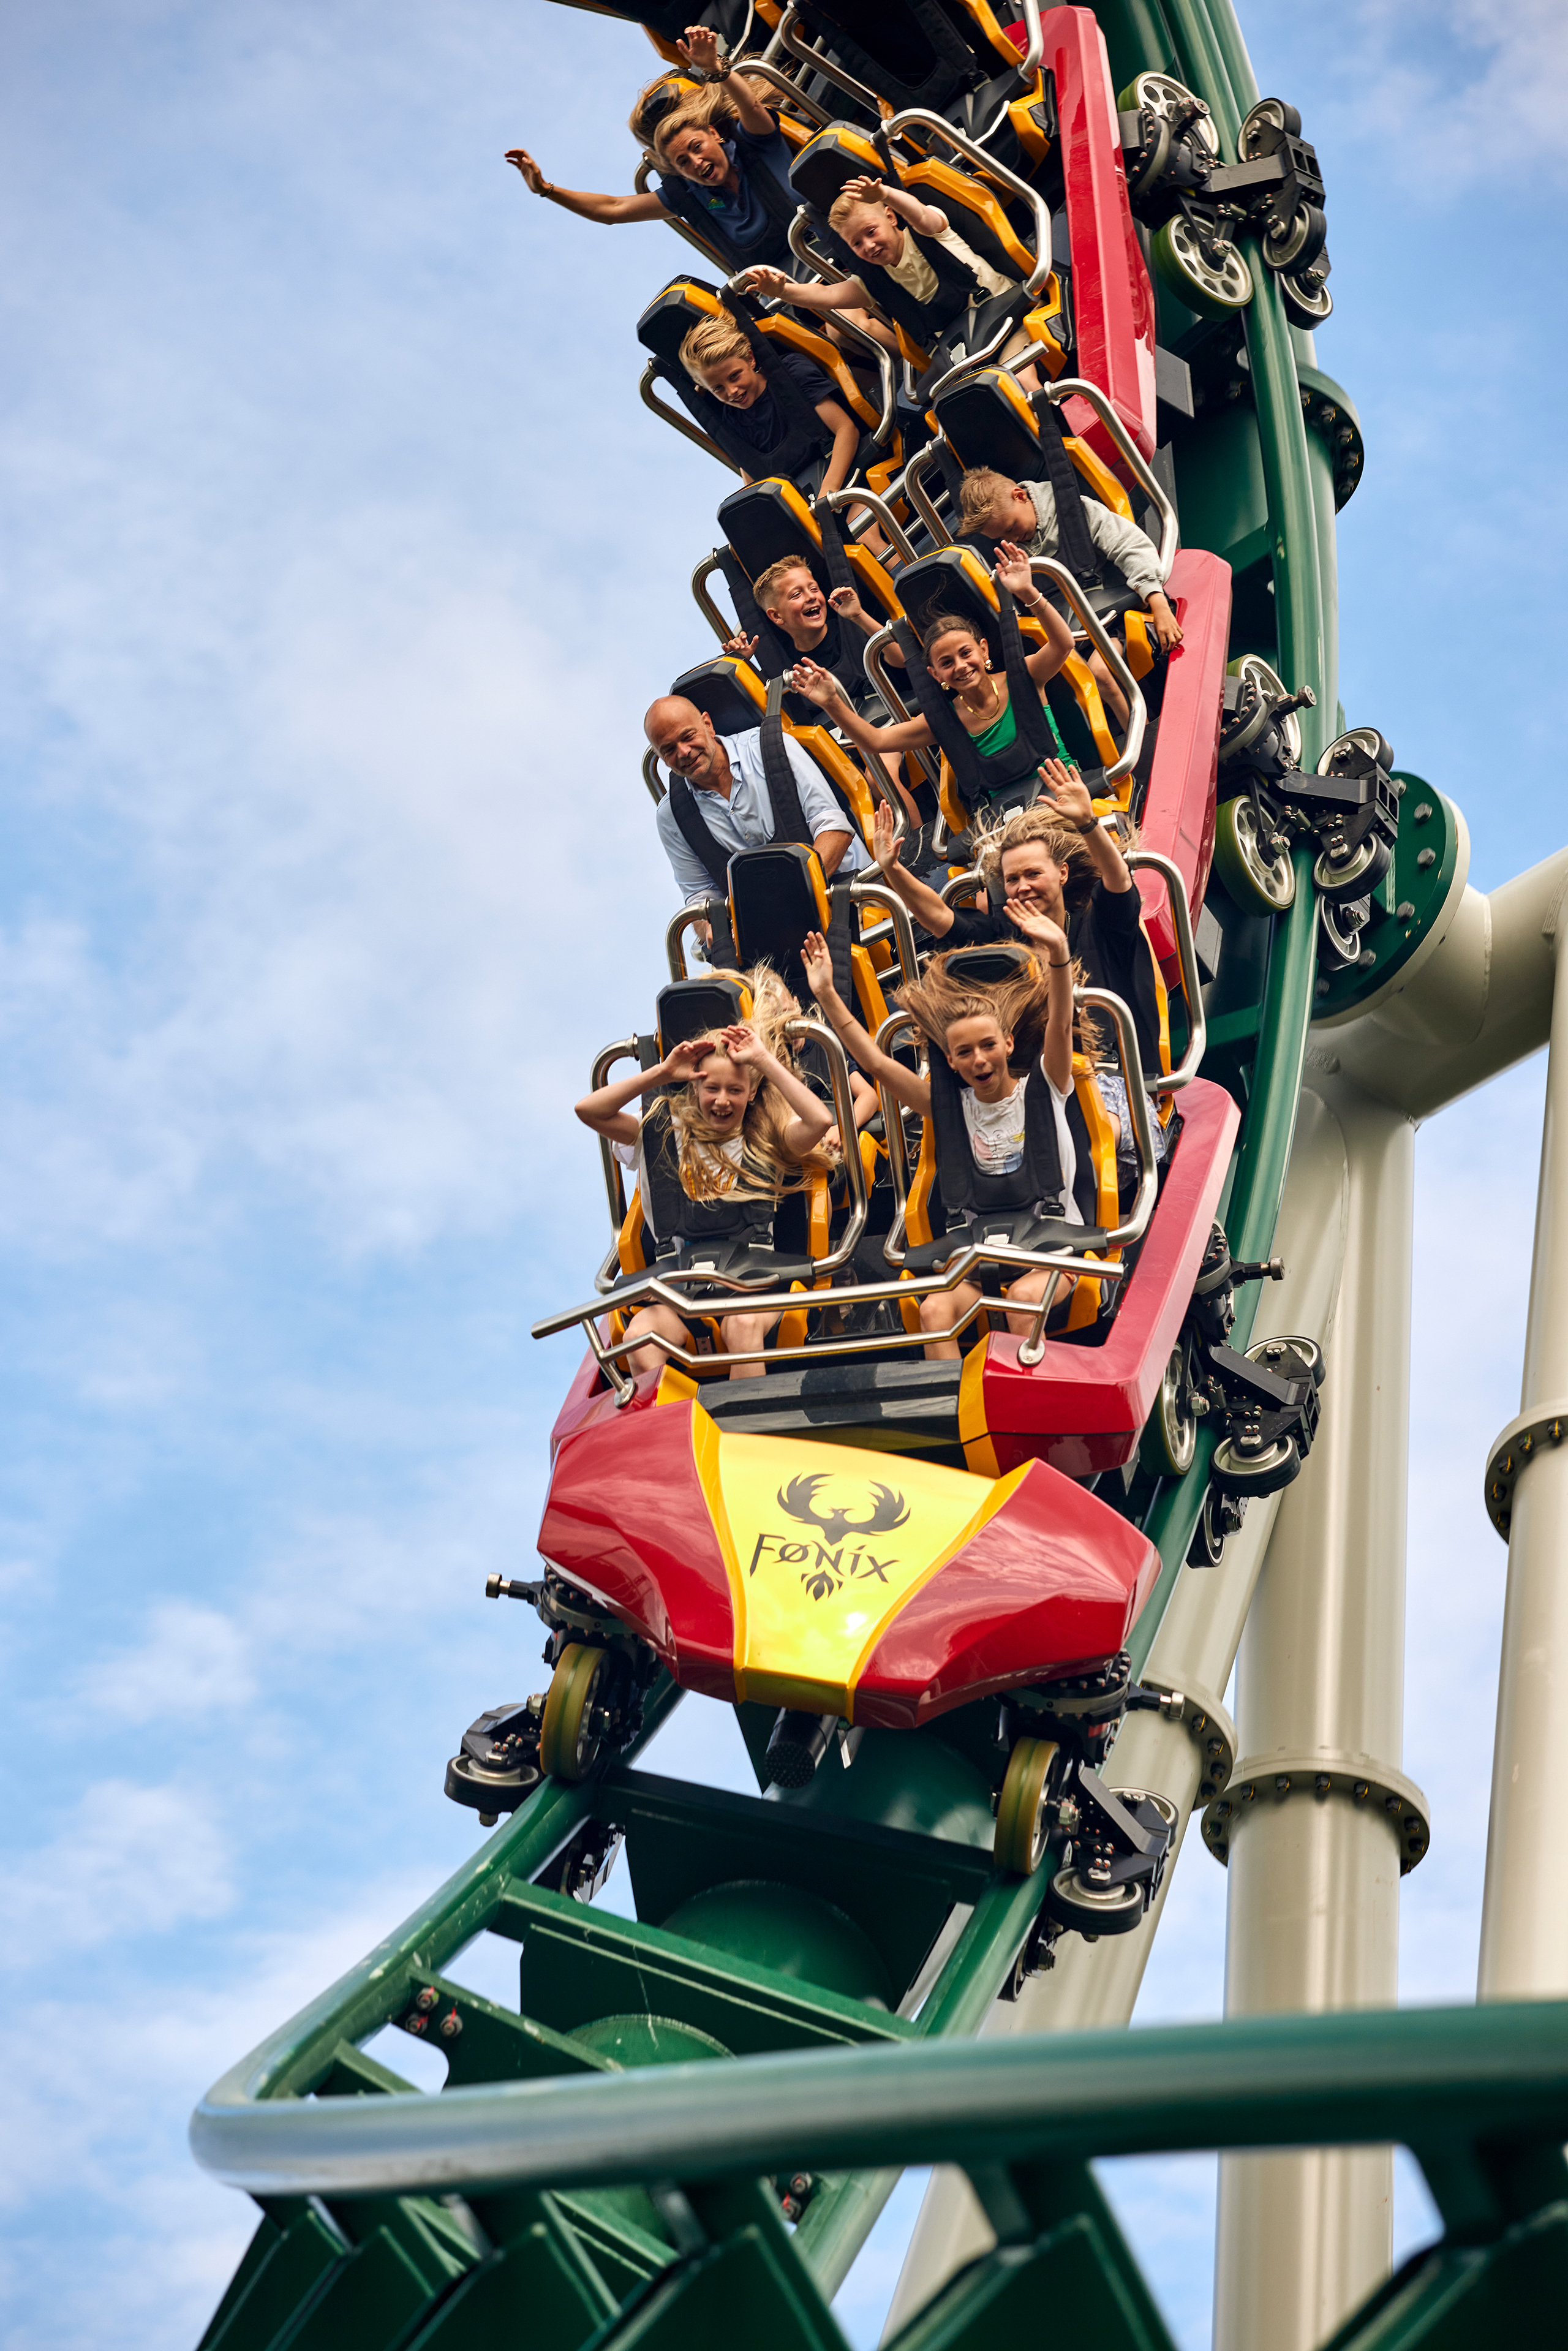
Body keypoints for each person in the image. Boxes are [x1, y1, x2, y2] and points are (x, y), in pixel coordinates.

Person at [800, 922, 1093, 1359]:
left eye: (987, 1045)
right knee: (935, 1310)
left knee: (1022, 1303)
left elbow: (1062, 1023)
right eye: (964, 1053)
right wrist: (826, 994)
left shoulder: (1046, 1084)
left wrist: (1057, 953)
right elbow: (877, 1065)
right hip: (977, 1255)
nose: (979, 1059)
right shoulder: (952, 1109)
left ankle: (1021, 1403)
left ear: (1009, 1043)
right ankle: (962, 1414)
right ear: (952, 1062)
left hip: (1049, 1249)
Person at [865, 763, 1167, 1089]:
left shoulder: (1098, 920)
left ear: (1062, 874)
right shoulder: (1003, 936)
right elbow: (939, 916)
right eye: (1012, 880)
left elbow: (1118, 880)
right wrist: (892, 869)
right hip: (1034, 1085)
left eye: (1033, 874)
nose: (1023, 887)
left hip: (1111, 1076)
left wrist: (1086, 822)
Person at [575, 1019, 836, 1380]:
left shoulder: (764, 1138)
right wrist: (662, 1072)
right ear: (695, 1088)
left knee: (742, 1327)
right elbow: (588, 1111)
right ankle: (665, 1426)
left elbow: (821, 1120)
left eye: (735, 1090)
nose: (723, 1100)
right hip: (681, 1289)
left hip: (749, 1286)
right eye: (712, 1088)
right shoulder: (663, 1130)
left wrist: (763, 1060)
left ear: (751, 1093)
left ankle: (745, 1424)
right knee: (639, 1336)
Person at [787, 541, 1077, 796]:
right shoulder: (943, 720)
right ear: (936, 675)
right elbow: (875, 741)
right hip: (1006, 820)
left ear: (984, 650)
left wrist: (1028, 592)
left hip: (1063, 793)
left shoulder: (1022, 677)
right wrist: (832, 702)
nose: (961, 666)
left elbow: (1062, 644)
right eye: (947, 663)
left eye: (966, 653)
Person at [505, 26, 797, 271]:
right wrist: (545, 189)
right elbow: (612, 209)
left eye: (697, 147)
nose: (695, 162)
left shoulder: (754, 140)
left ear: (713, 134)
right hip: (785, 287)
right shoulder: (691, 195)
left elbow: (750, 105)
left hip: (827, 247)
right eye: (682, 162)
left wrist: (715, 70)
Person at [737, 175, 1042, 386]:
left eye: (871, 232)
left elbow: (921, 215)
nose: (868, 246)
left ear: (891, 217)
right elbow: (826, 298)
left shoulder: (928, 231)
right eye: (856, 244)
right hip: (964, 347)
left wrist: (884, 194)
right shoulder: (873, 282)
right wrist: (783, 291)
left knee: (1020, 380)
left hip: (1009, 316)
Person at [958, 466, 1182, 729]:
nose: (1012, 538)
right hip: (1075, 631)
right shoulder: (1014, 551)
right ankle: (1136, 739)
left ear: (1020, 495)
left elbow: (1129, 545)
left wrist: (1158, 604)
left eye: (1012, 527)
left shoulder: (1072, 510)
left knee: (1100, 672)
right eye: (1002, 536)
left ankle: (1143, 740)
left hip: (1118, 611)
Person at [723, 557, 931, 839]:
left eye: (813, 589)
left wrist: (858, 616)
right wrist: (743, 664)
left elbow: (903, 660)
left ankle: (920, 848)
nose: (811, 598)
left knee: (878, 776)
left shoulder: (848, 626)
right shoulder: (779, 666)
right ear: (776, 617)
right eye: (797, 595)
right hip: (837, 746)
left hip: (888, 723)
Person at [644, 693, 872, 918]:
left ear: (707, 724)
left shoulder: (773, 749)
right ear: (660, 757)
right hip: (774, 929)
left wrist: (793, 899)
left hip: (853, 895)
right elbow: (700, 894)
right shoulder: (671, 815)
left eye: (688, 736)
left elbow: (834, 830)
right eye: (669, 750)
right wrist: (712, 929)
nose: (684, 752)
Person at [677, 314, 861, 499]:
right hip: (803, 496)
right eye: (718, 388)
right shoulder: (733, 420)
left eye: (734, 376)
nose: (732, 391)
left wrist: (829, 492)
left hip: (850, 472)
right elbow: (753, 478)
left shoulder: (792, 373)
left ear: (750, 358)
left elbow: (846, 429)